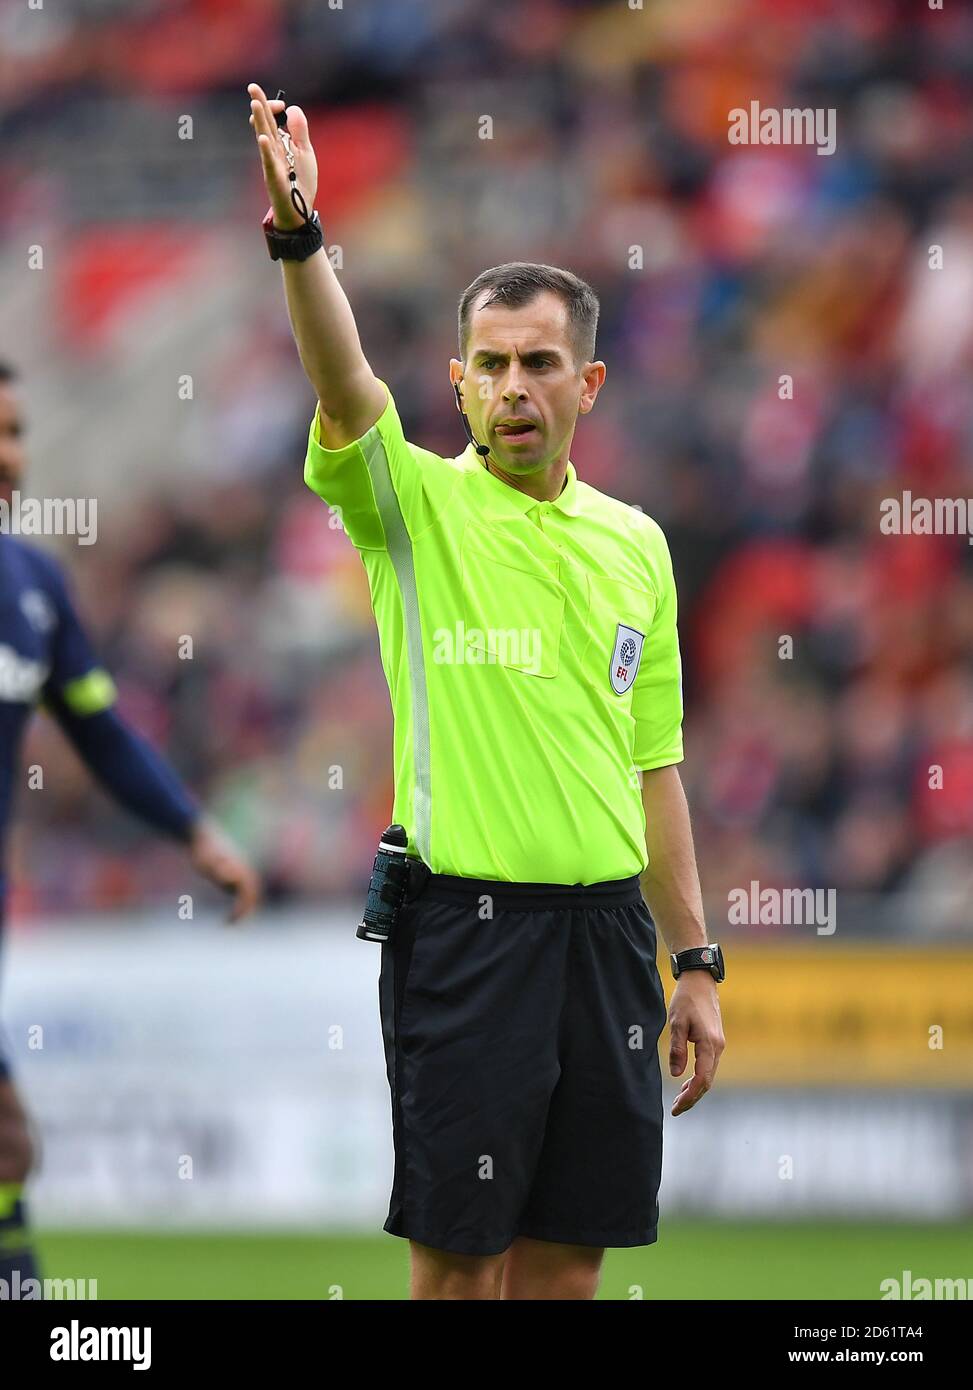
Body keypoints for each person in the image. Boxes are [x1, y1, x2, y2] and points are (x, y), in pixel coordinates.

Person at [248, 83, 724, 1301]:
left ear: (590, 383)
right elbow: (344, 381)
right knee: (459, 1273)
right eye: (492, 365)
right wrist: (302, 239)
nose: (515, 387)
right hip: (468, 935)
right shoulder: (411, 506)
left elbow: (653, 765)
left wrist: (698, 963)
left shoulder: (637, 545)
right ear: (457, 384)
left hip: (609, 936)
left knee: (568, 1270)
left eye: (541, 364)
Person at [0, 360, 260, 1291]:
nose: (10, 456)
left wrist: (195, 831)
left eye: (18, 432)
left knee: (5, 1164)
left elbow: (102, 731)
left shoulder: (32, 585)